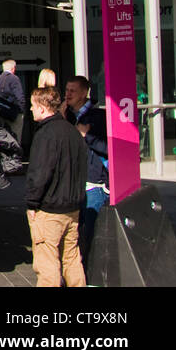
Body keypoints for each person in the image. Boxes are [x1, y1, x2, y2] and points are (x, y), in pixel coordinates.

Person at [26, 86, 88, 286]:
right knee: (72, 258)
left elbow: (40, 173)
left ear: (43, 108)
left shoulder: (45, 134)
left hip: (50, 208)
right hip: (73, 207)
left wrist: (32, 204)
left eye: (33, 106)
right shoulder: (72, 131)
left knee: (47, 263)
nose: (30, 110)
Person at [63, 75, 109, 265]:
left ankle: (91, 274)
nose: (68, 95)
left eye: (72, 91)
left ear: (84, 93)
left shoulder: (97, 117)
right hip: (75, 183)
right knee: (74, 233)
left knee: (90, 234)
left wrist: (86, 135)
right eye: (66, 90)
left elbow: (108, 148)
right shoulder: (68, 115)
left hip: (93, 184)